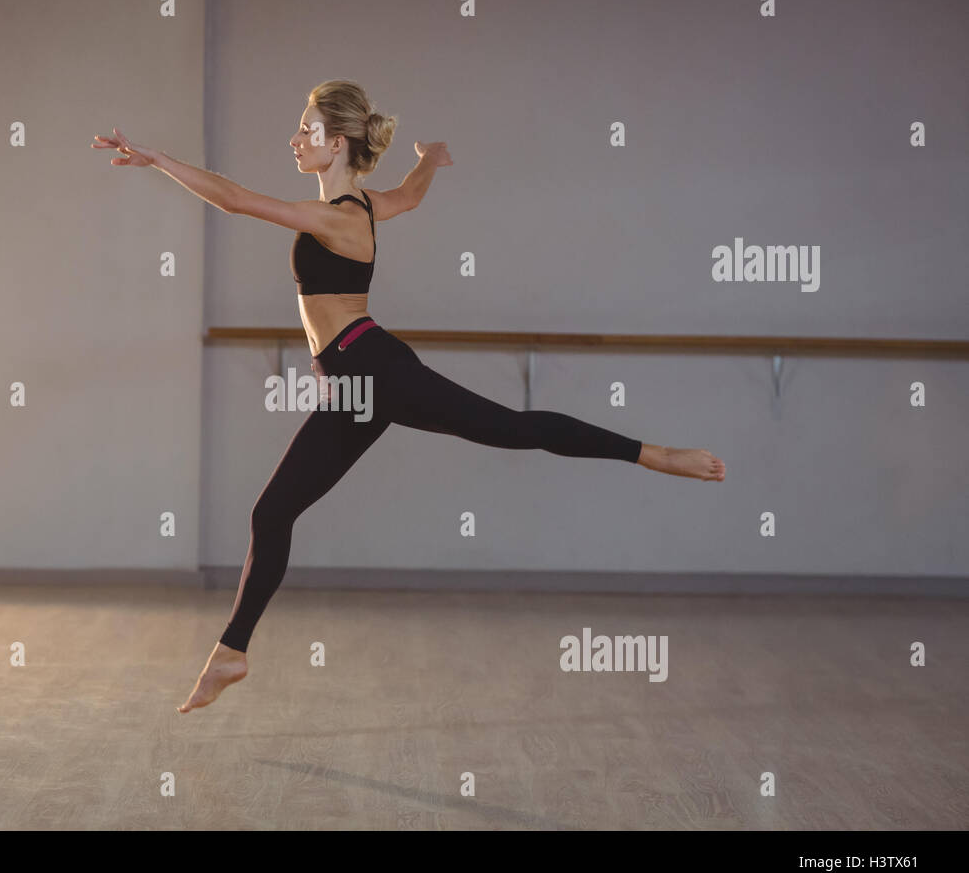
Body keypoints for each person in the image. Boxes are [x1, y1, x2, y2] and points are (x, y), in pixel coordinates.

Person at [92, 79, 725, 714]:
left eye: (305, 130)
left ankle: (654, 455)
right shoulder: (366, 204)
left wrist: (156, 158)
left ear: (335, 142)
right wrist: (429, 159)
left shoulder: (339, 216)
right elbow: (410, 199)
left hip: (374, 370)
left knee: (509, 428)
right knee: (272, 514)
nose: (294, 140)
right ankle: (232, 653)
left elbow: (232, 200)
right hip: (351, 386)